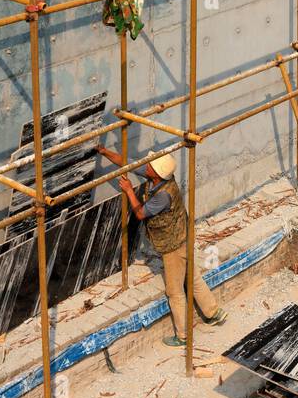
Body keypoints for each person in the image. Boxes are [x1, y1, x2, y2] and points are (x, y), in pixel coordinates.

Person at [96, 146, 227, 345]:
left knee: (174, 291)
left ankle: (183, 336)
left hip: (173, 245)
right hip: (184, 235)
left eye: (149, 164)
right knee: (193, 278)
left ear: (154, 173)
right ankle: (213, 313)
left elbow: (140, 214)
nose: (145, 165)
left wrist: (130, 191)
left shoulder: (164, 195)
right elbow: (127, 161)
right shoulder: (158, 177)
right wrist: (104, 152)